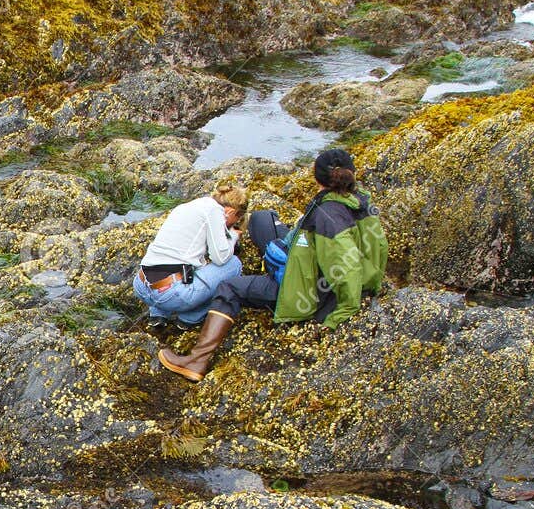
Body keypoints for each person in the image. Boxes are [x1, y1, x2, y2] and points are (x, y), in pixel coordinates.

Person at [159, 147, 388, 382]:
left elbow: (345, 266)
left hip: (307, 291)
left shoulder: (327, 216)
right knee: (262, 218)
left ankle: (197, 361)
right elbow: (378, 246)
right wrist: (371, 284)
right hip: (311, 266)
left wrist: (339, 315)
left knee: (229, 288)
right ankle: (268, 253)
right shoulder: (360, 201)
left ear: (316, 177)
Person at [132, 183, 248, 327]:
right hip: (169, 295)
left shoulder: (188, 207)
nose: (234, 224)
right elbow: (220, 258)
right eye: (236, 220)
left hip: (141, 286)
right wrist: (233, 236)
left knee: (181, 265)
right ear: (230, 212)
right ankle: (189, 318)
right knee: (234, 265)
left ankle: (158, 315)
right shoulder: (214, 211)